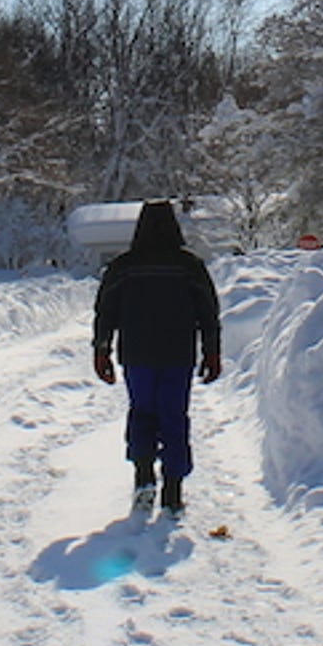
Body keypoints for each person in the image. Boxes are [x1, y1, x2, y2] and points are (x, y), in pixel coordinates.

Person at [91, 199, 223, 514]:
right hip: (179, 354)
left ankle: (144, 478)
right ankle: (174, 491)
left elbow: (105, 311)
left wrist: (101, 349)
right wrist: (212, 352)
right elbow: (208, 312)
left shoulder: (123, 266)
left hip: (136, 354)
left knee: (142, 413)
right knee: (174, 416)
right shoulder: (189, 266)